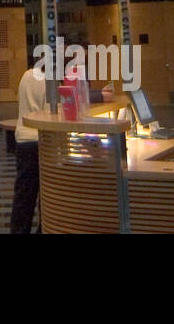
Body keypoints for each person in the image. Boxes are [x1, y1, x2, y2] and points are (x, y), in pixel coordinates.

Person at [10, 42, 114, 233]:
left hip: (24, 140)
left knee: (24, 194)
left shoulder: (27, 75)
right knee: (47, 192)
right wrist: (99, 95)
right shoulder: (49, 81)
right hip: (42, 141)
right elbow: (64, 104)